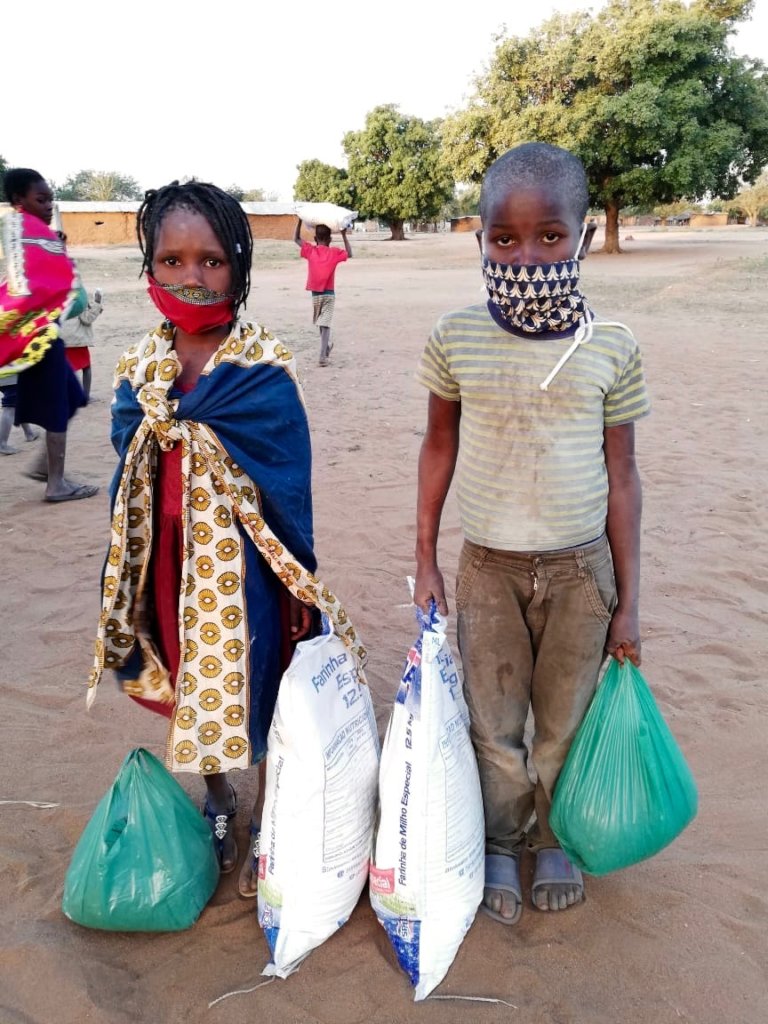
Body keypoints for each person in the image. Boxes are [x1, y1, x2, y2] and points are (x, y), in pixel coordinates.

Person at [86, 181, 365, 895]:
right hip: (171, 565)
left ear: (239, 267)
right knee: (188, 683)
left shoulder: (261, 364)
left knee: (265, 680)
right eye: (172, 260)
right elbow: (129, 459)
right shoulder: (138, 369)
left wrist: (295, 577)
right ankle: (218, 795)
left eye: (210, 260)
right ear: (148, 269)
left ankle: (273, 813)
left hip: (251, 566)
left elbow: (286, 478)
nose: (192, 276)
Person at [414, 143, 650, 923]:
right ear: (477, 239)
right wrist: (426, 558)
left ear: (582, 239)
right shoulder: (455, 335)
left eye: (550, 236)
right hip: (486, 568)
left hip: (584, 573)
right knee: (494, 719)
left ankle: (551, 834)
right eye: (504, 239)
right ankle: (500, 838)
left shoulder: (612, 346)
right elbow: (438, 445)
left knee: (564, 720)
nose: (526, 254)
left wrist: (630, 602)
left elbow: (622, 476)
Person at [0, 168, 97, 501]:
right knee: (59, 403)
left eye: (50, 199)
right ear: (18, 200)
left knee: (72, 397)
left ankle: (45, 465)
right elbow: (26, 285)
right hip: (37, 337)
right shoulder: (19, 230)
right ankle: (56, 484)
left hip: (45, 333)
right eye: (40, 199)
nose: (47, 205)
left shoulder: (38, 234)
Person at [293, 217, 352, 366]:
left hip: (316, 294)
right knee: (323, 323)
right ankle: (324, 351)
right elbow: (349, 253)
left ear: (314, 238)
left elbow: (296, 239)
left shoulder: (310, 250)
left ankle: (323, 355)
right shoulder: (334, 252)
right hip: (329, 293)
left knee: (323, 323)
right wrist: (344, 235)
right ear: (331, 239)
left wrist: (300, 220)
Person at [60, 285, 104, 402]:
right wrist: (97, 302)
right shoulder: (78, 300)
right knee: (86, 367)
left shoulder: (58, 296)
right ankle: (85, 396)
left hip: (61, 340)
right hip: (77, 340)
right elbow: (87, 318)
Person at [0, 377, 40, 454]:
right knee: (9, 407)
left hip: (5, 376)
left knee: (19, 403)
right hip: (11, 377)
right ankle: (2, 444)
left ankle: (29, 433)